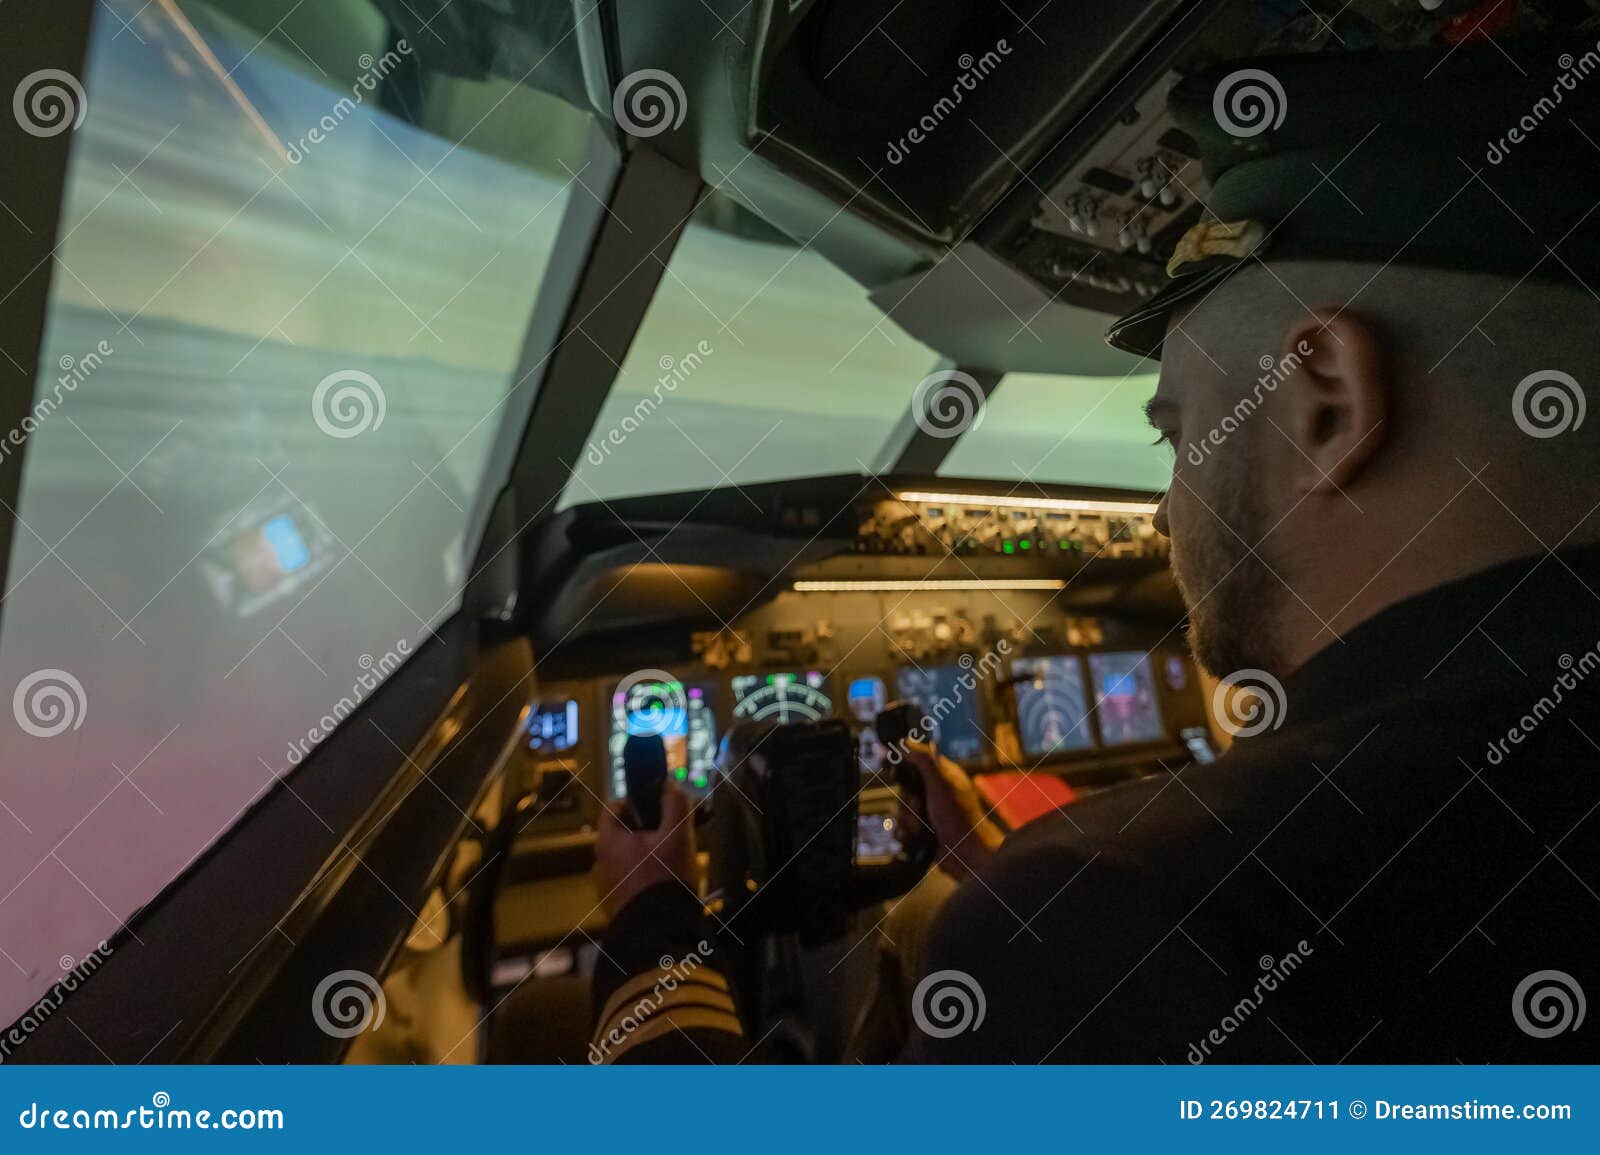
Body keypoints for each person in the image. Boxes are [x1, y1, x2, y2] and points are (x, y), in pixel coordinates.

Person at [588, 34, 1600, 1063]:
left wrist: (650, 931)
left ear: (1325, 404)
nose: (1163, 516)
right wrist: (1003, 872)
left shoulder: (1123, 919)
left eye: (1178, 434)